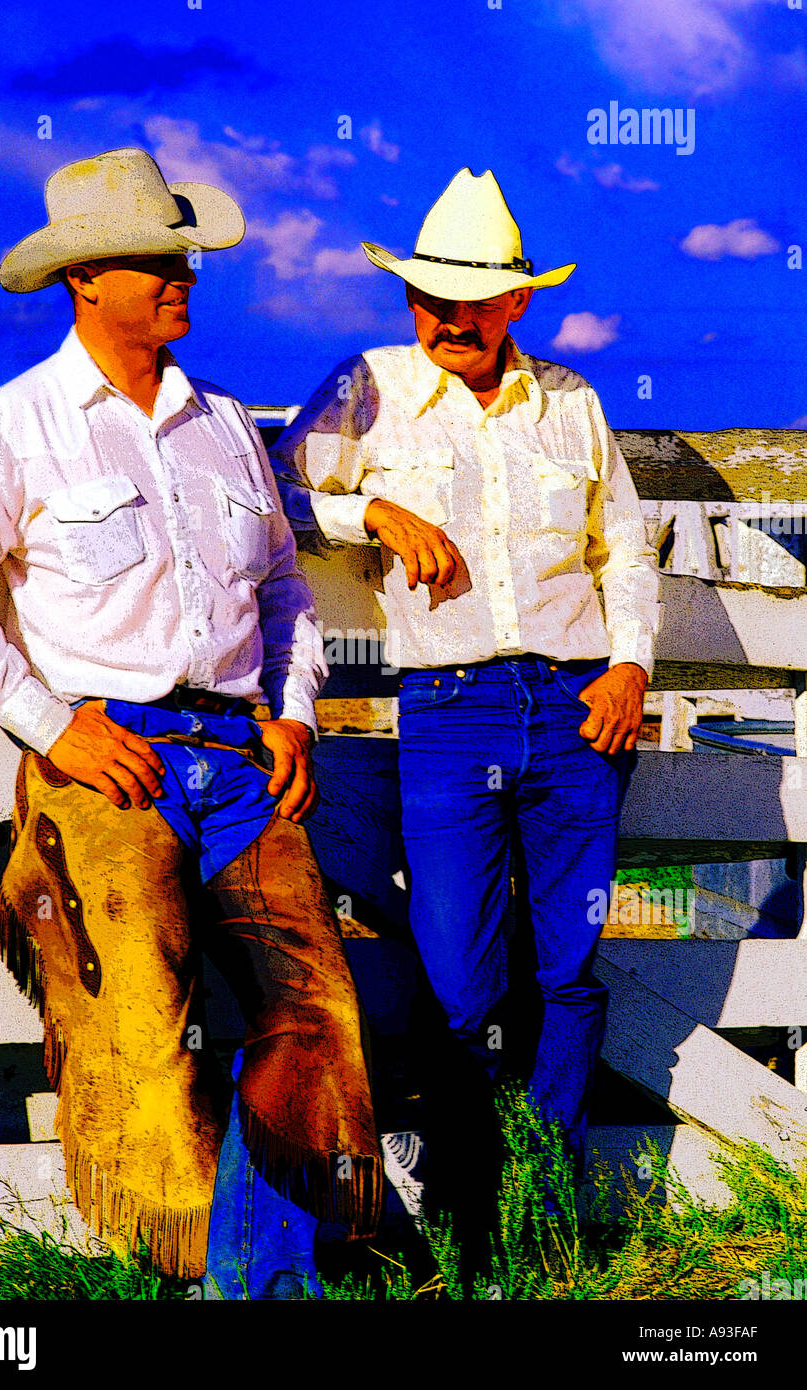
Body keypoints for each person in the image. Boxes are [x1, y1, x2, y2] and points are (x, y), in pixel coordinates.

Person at [0, 147, 381, 1299]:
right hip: (105, 760)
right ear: (87, 281)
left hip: (238, 755)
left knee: (312, 1010)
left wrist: (294, 712)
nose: (185, 277)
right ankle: (196, 1277)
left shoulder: (222, 424)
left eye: (182, 257)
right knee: (141, 1033)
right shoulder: (15, 428)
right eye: (158, 261)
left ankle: (262, 1279)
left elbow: (280, 588)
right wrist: (48, 724)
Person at [268, 167, 660, 1250]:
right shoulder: (368, 387)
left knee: (567, 971)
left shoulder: (571, 403)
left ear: (514, 304)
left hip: (582, 707)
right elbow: (275, 496)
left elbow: (621, 546)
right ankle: (463, 1222)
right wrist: (372, 509)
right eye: (426, 298)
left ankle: (542, 1225)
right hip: (448, 709)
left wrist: (630, 664)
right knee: (459, 977)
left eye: (468, 301)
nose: (443, 319)